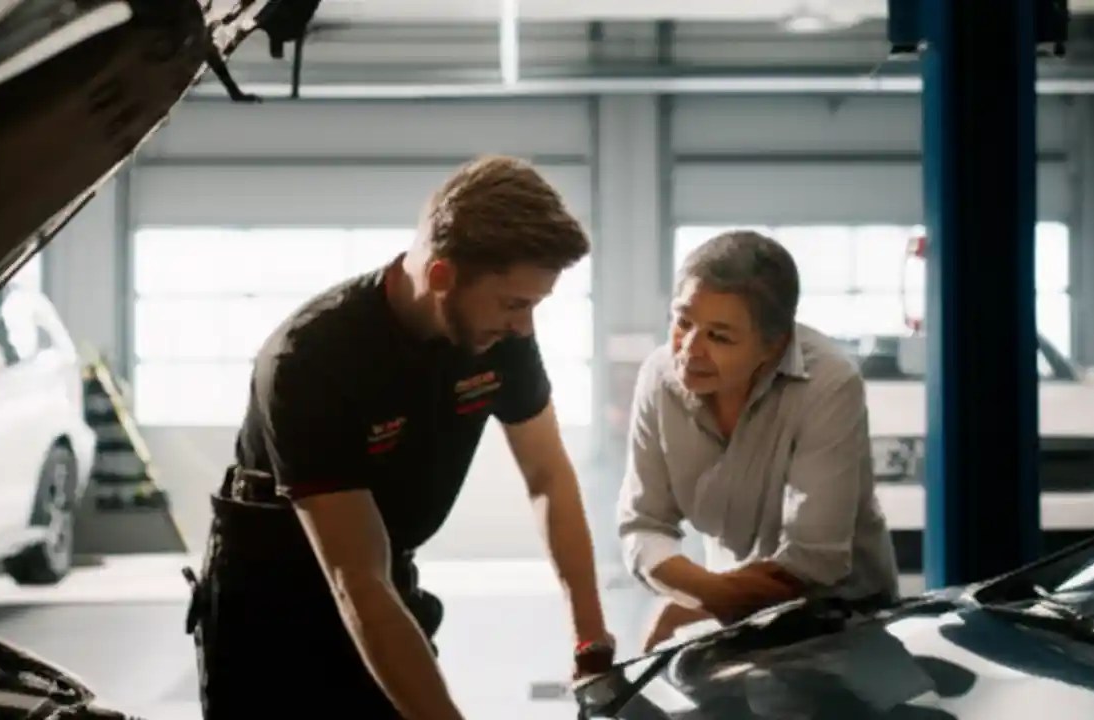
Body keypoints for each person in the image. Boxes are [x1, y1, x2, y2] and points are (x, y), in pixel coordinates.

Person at [185, 155, 615, 719]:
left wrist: (590, 639)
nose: (524, 325)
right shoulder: (312, 359)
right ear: (440, 277)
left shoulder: (501, 337)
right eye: (514, 303)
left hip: (384, 573)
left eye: (534, 305)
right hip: (275, 605)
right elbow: (355, 580)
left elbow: (547, 476)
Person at [616, 229, 901, 651]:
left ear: (774, 346)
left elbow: (814, 557)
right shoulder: (658, 380)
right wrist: (707, 596)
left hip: (848, 618)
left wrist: (703, 601)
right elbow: (643, 524)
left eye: (719, 336)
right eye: (683, 321)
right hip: (738, 617)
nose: (689, 349)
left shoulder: (829, 384)